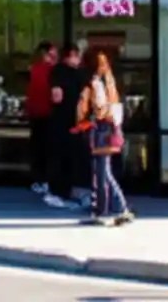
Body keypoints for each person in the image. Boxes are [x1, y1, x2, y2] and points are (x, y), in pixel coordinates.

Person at [77, 48, 134, 225]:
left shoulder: (95, 83)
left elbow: (100, 108)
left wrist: (88, 117)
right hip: (110, 128)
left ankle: (105, 211)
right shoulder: (109, 81)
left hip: (101, 128)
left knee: (101, 173)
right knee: (104, 171)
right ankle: (118, 208)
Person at [45, 46, 83, 208]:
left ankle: (59, 190)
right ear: (70, 56)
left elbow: (56, 97)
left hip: (62, 120)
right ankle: (65, 189)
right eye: (77, 56)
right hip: (73, 120)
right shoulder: (77, 74)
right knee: (68, 156)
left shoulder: (58, 72)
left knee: (60, 155)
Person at [24, 41, 57, 196]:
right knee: (48, 149)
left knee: (38, 149)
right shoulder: (52, 71)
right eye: (53, 53)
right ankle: (46, 180)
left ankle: (39, 179)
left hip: (36, 114)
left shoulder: (34, 70)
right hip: (48, 115)